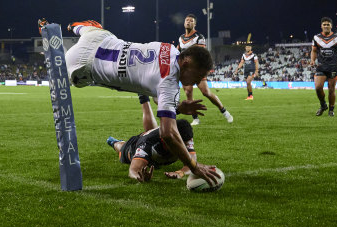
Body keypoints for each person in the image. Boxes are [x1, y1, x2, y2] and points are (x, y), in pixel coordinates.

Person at [38, 18, 220, 185]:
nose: (197, 81)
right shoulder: (169, 84)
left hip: (101, 36)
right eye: (198, 75)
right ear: (187, 63)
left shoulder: (170, 49)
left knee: (93, 30)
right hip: (85, 64)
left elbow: (154, 84)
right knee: (65, 71)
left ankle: (72, 26)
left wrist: (177, 107)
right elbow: (168, 133)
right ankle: (54, 44)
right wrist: (194, 166)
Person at [106, 98, 197, 182]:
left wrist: (179, 173)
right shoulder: (146, 145)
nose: (182, 147)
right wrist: (140, 177)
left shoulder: (185, 136)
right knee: (122, 148)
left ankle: (144, 99)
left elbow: (192, 164)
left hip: (155, 137)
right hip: (134, 145)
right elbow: (133, 171)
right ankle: (113, 141)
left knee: (154, 134)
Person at [178, 14, 233, 125]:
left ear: (195, 24)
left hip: (197, 70)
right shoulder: (180, 38)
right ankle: (195, 118)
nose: (188, 22)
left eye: (191, 20)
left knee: (206, 92)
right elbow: (178, 51)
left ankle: (224, 111)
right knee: (188, 92)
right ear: (184, 23)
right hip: (186, 71)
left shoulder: (199, 37)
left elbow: (200, 53)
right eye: (187, 20)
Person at [310, 17, 337, 116]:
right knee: (318, 87)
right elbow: (314, 50)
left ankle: (331, 110)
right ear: (321, 26)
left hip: (333, 67)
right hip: (321, 66)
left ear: (331, 26)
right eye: (324, 24)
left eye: (327, 24)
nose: (326, 26)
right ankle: (323, 105)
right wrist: (312, 60)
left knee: (331, 89)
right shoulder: (316, 37)